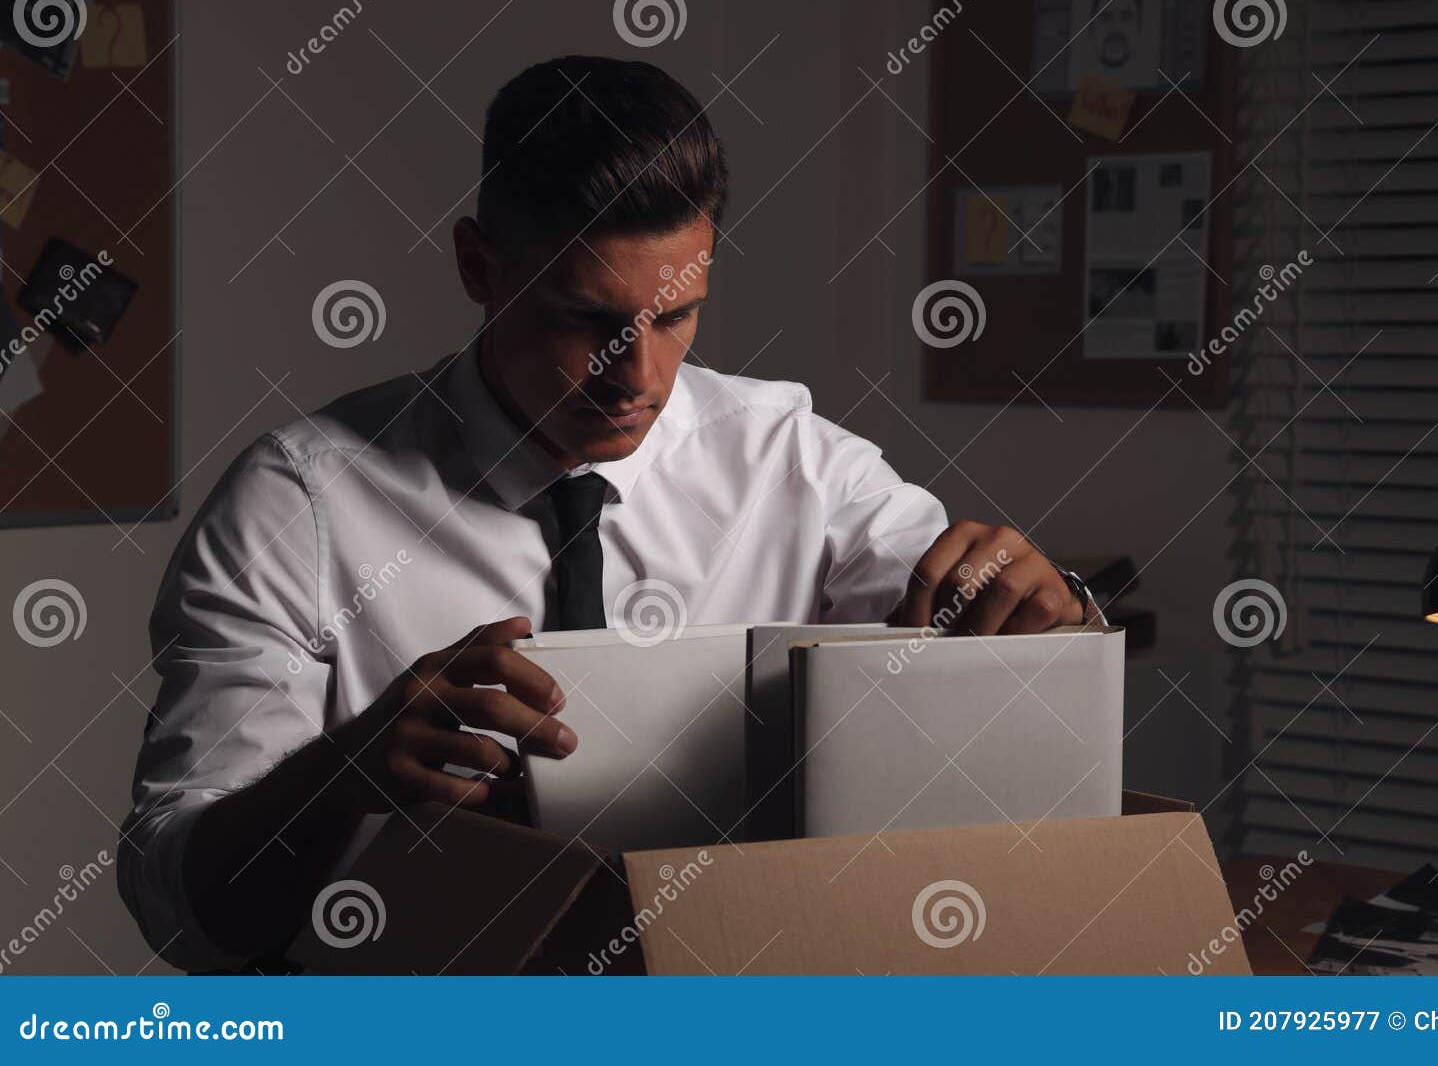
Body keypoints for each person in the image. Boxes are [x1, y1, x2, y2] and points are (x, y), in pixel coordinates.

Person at [117, 55, 1091, 971]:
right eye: (587, 320)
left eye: (675, 315)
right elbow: (179, 909)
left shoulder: (797, 464)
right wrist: (341, 775)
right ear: (479, 266)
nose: (639, 376)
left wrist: (1047, 615)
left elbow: (999, 653)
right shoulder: (298, 504)